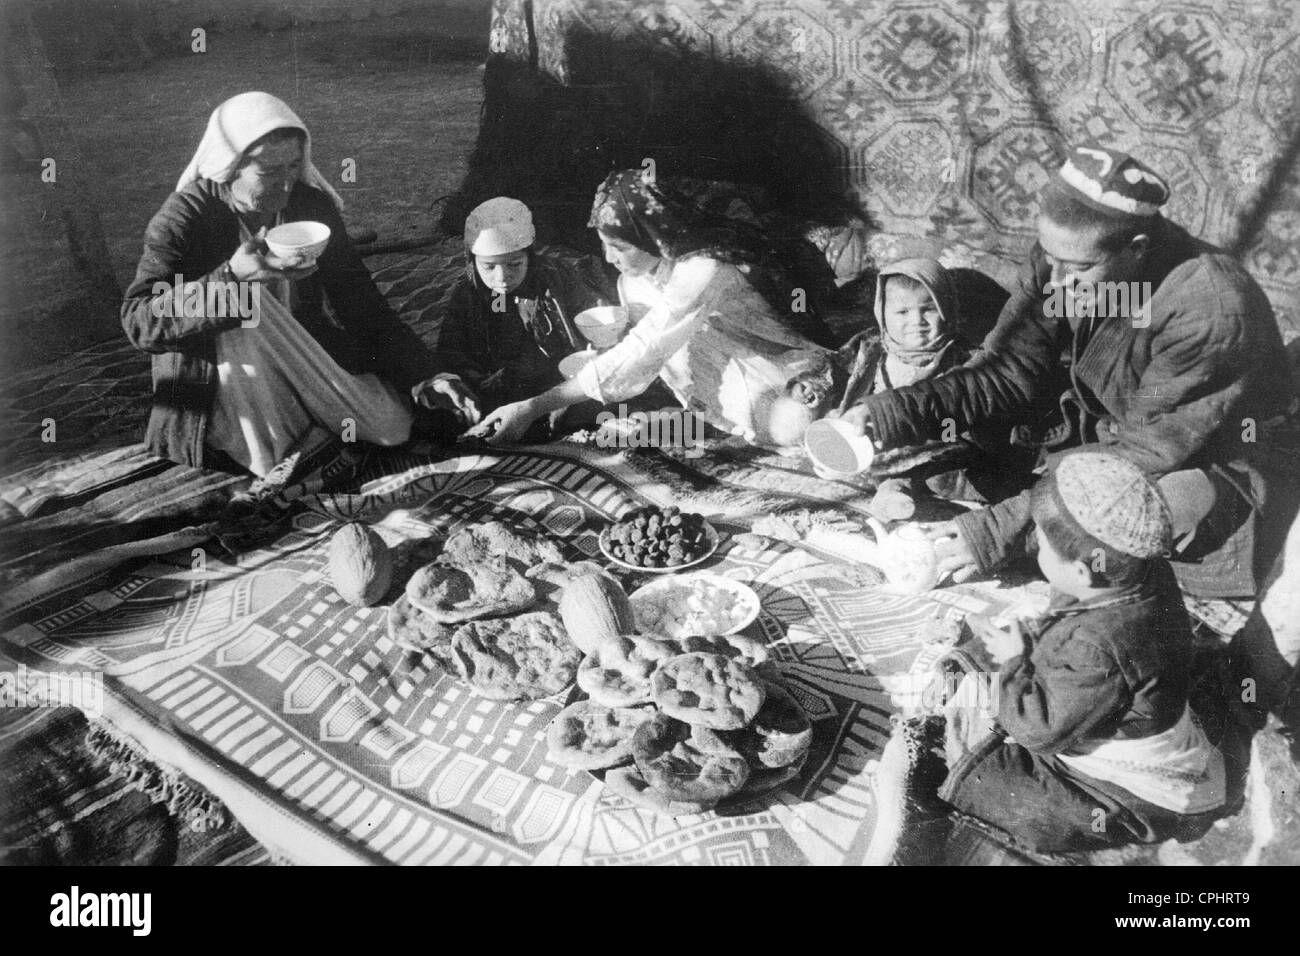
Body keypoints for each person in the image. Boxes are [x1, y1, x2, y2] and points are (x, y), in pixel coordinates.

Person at [836, 144, 1297, 599]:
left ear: (1137, 250)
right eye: (1050, 260)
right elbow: (1005, 371)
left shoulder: (1208, 308)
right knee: (972, 437)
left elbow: (1148, 453)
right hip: (1106, 433)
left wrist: (1004, 528)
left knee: (1145, 513)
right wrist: (892, 412)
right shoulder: (1064, 262)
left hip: (1209, 458)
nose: (1054, 282)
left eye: (1076, 268)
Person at [121, 91, 447, 477]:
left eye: (293, 166)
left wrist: (427, 374)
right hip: (223, 377)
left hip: (301, 353)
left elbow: (360, 302)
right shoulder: (184, 217)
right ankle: (280, 448)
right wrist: (232, 276)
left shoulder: (309, 207)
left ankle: (307, 443)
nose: (286, 184)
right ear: (230, 168)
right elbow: (139, 321)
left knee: (392, 427)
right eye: (269, 172)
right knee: (246, 309)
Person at [938, 452, 1227, 855]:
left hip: (1129, 778)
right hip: (1106, 693)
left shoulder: (1100, 648)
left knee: (1009, 794)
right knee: (988, 651)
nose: (1036, 551)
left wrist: (1014, 664)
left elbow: (1042, 731)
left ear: (1080, 574)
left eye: (1041, 547)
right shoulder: (1140, 572)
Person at [469, 169, 833, 449]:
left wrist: (534, 406)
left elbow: (648, 346)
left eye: (620, 247)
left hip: (767, 358)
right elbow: (646, 350)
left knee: (792, 425)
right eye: (604, 245)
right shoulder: (635, 279)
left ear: (653, 235)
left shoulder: (705, 267)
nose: (610, 259)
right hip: (709, 366)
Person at [423, 196, 613, 438]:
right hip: (498, 390)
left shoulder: (559, 278)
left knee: (587, 410)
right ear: (473, 262)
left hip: (559, 386)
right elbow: (451, 351)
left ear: (529, 257)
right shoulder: (468, 295)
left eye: (514, 264)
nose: (502, 277)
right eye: (489, 267)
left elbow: (599, 323)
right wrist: (468, 382)